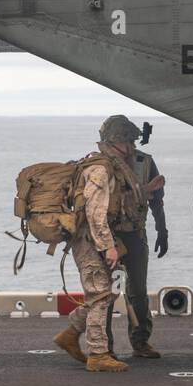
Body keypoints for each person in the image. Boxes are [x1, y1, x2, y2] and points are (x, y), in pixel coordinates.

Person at [54, 117, 147, 372]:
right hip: (90, 241)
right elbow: (96, 213)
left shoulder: (110, 166)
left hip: (99, 238)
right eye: (129, 141)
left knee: (108, 292)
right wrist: (108, 247)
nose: (132, 146)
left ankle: (71, 333)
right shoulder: (101, 169)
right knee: (100, 295)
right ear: (119, 141)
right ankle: (98, 354)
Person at [101, 116, 167, 359]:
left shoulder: (144, 163)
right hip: (108, 238)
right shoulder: (98, 165)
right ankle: (103, 346)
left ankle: (140, 341)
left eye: (132, 141)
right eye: (124, 142)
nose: (130, 147)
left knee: (138, 290)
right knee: (106, 293)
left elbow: (157, 199)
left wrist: (162, 230)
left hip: (135, 235)